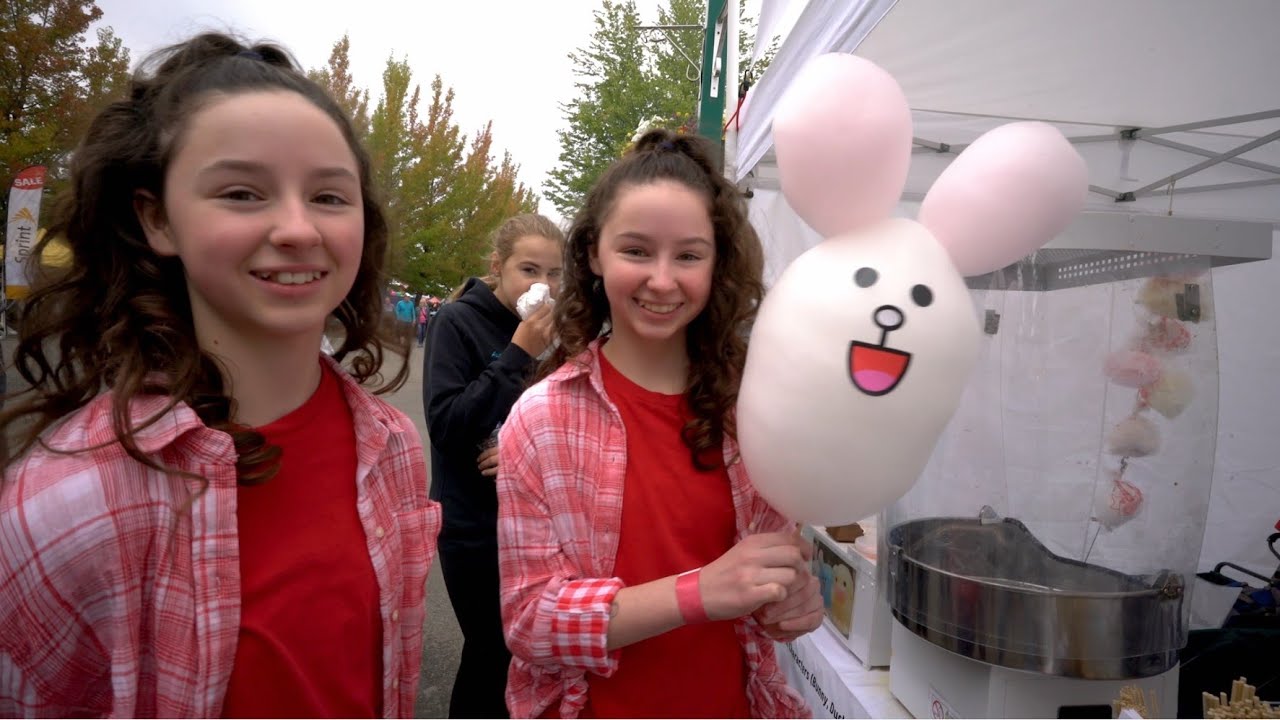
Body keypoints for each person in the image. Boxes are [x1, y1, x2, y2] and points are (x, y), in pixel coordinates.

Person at [0, 33, 441, 718]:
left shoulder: (393, 445)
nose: (298, 228)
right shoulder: (69, 498)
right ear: (156, 218)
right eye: (242, 193)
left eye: (329, 196)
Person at [496, 129, 824, 719]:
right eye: (637, 251)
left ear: (717, 262)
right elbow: (529, 623)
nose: (663, 280)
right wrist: (698, 592)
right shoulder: (541, 420)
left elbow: (771, 580)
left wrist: (792, 599)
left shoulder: (753, 412)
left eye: (690, 255)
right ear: (594, 254)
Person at [424, 213, 564, 718]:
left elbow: (567, 415)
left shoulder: (559, 332)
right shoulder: (456, 322)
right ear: (498, 267)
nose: (542, 286)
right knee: (491, 651)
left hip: (540, 526)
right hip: (474, 525)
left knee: (529, 652)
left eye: (554, 274)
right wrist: (517, 353)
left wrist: (524, 449)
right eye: (529, 270)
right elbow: (446, 426)